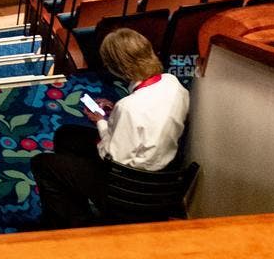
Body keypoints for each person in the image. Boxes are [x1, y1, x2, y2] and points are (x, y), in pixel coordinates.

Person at [30, 28, 190, 229]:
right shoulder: (172, 83)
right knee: (67, 135)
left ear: (119, 67)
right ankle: (73, 199)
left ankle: (75, 224)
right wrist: (115, 113)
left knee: (43, 164)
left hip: (129, 183)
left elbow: (110, 155)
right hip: (162, 166)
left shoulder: (130, 107)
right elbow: (150, 118)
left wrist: (101, 121)